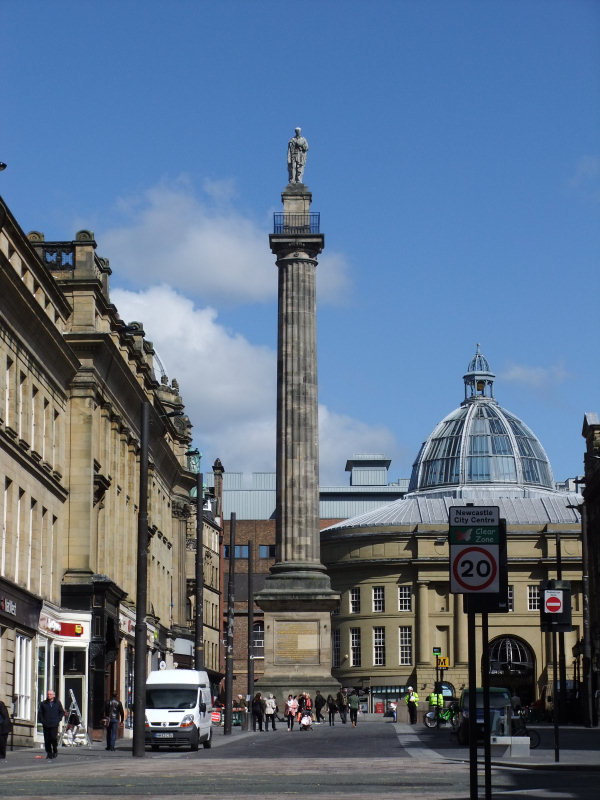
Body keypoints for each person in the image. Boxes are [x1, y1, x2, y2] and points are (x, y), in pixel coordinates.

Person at [38, 689, 66, 760]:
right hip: (46, 724)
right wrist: (42, 721)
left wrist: (58, 719)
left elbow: (62, 712)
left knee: (53, 738)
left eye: (50, 694)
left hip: (54, 724)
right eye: (48, 694)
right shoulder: (43, 703)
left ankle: (55, 750)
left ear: (53, 695)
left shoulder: (57, 703)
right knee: (47, 740)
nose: (49, 695)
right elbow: (40, 713)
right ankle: (49, 753)